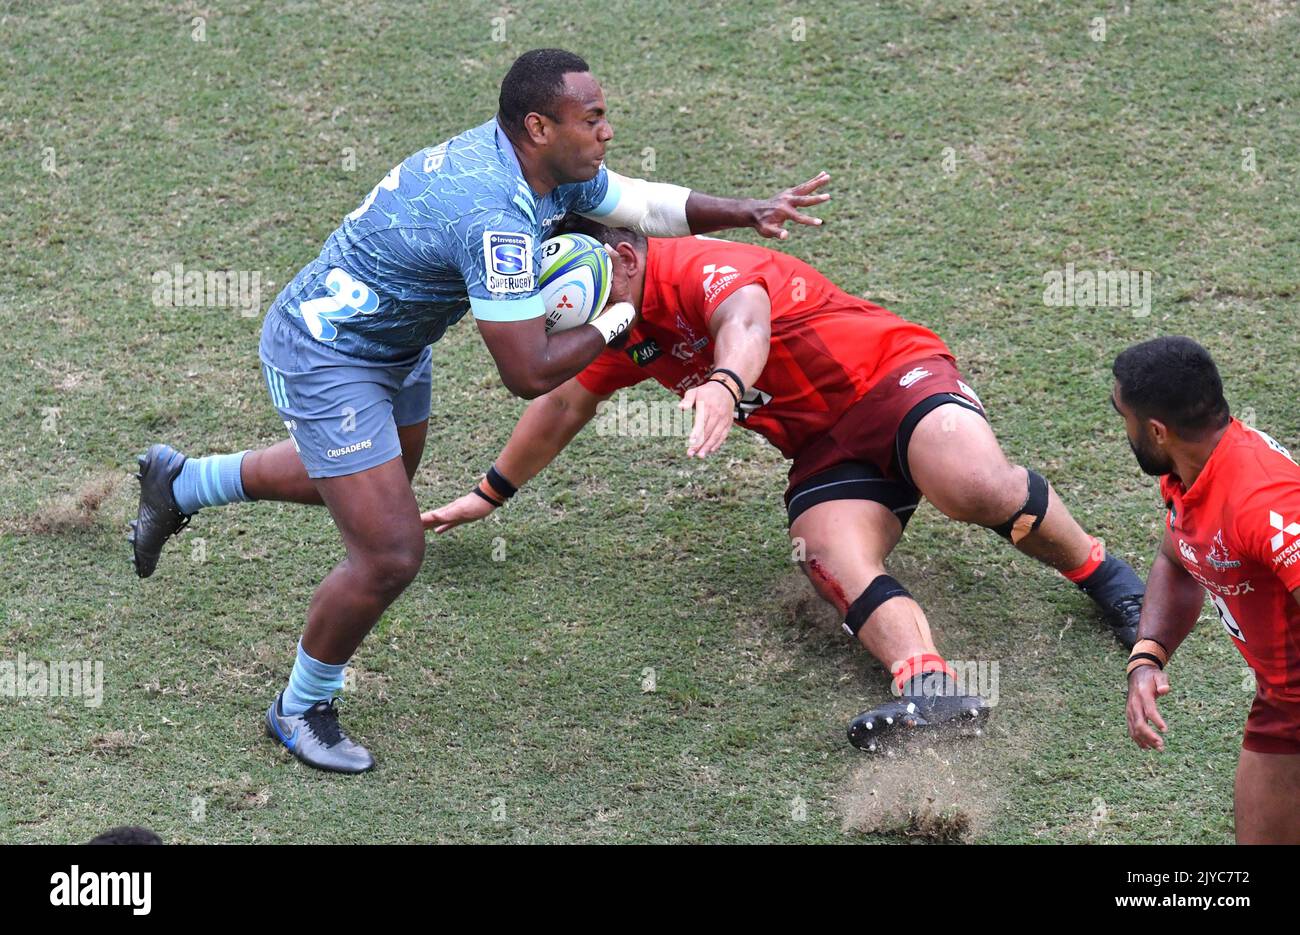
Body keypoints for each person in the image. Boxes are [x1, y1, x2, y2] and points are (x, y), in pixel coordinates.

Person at [128, 49, 830, 773]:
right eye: (592, 119)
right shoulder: (494, 215)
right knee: (391, 550)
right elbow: (526, 373)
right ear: (538, 126)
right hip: (328, 352)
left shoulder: (536, 164)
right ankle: (300, 706)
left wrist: (749, 210)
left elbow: (646, 206)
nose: (607, 132)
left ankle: (181, 484)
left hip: (390, 341)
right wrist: (619, 316)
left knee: (379, 481)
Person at [425, 217, 1147, 751]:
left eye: (597, 303)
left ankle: (1111, 580)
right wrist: (490, 493)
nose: (597, 329)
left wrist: (724, 384)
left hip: (893, 379)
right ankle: (930, 688)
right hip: (826, 449)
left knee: (969, 485)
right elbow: (563, 402)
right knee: (822, 549)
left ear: (621, 255)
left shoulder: (696, 265)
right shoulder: (622, 322)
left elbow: (745, 317)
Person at [1113, 336, 1300, 844]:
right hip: (1284, 702)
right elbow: (1177, 560)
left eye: (1122, 415)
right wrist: (1147, 657)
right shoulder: (1190, 473)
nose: (1123, 429)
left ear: (1156, 430)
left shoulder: (1262, 499)